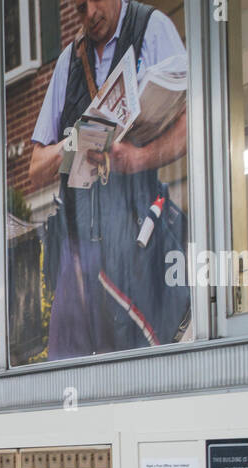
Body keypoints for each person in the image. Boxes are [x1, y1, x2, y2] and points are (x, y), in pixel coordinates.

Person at [27, 0, 189, 360]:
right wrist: (76, 141)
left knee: (142, 363)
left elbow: (193, 124)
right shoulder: (70, 61)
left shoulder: (153, 27)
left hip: (137, 237)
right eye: (79, 8)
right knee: (72, 371)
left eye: (93, 3)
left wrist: (140, 158)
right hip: (79, 249)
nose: (89, 15)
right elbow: (35, 167)